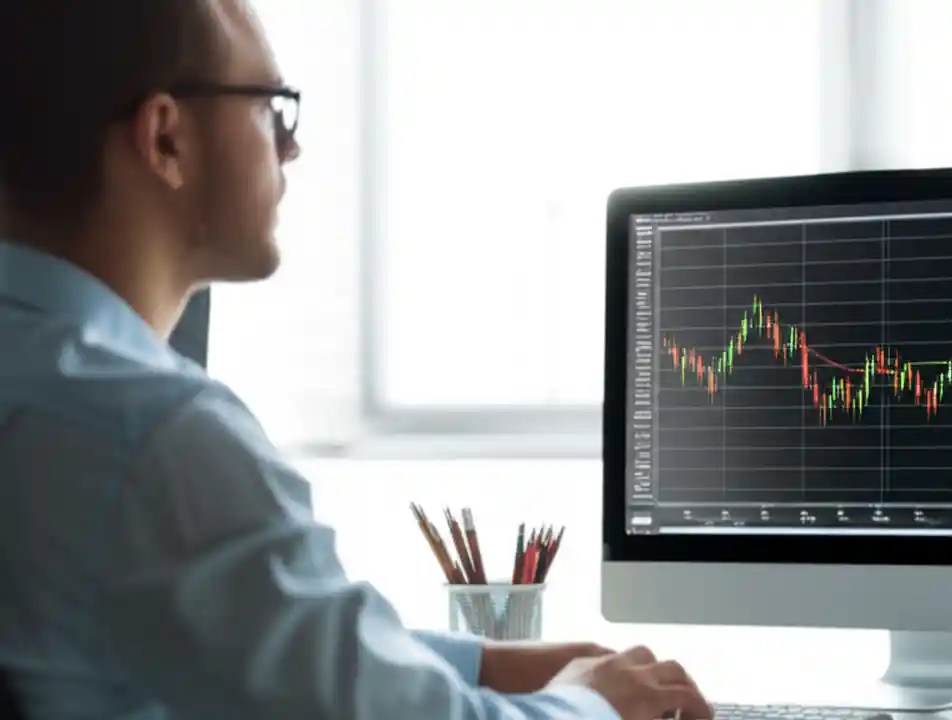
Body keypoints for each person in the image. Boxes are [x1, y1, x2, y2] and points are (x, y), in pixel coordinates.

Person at [0, 1, 712, 718]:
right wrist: (599, 705)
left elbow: (244, 642)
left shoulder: (47, 389)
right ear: (166, 140)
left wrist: (488, 661)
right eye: (272, 109)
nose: (292, 149)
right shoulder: (151, 434)